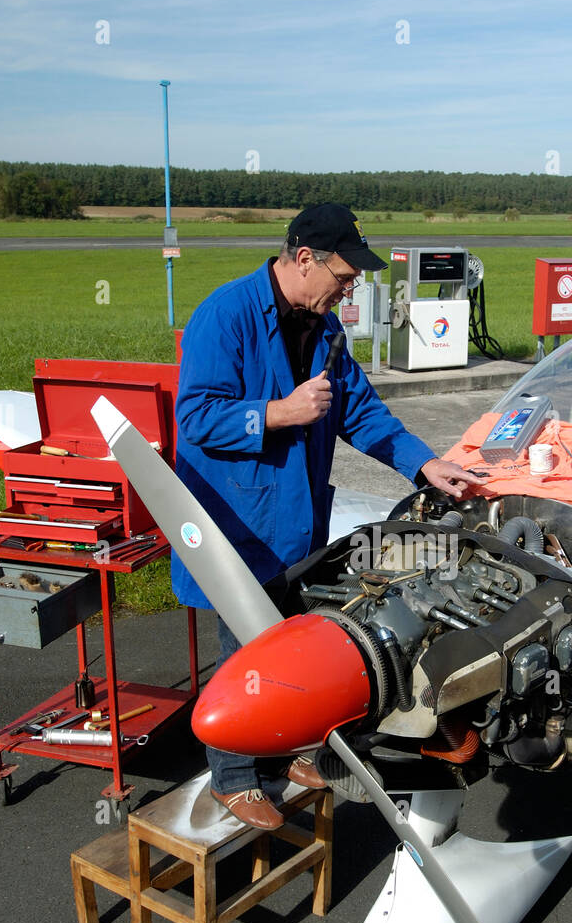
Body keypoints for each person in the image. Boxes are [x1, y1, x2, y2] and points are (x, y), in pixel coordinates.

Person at [172, 203, 478, 831]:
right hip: (239, 529)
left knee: (289, 648)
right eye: (343, 274)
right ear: (304, 259)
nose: (351, 287)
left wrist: (424, 467)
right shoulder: (224, 316)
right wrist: (278, 413)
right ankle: (233, 779)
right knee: (245, 656)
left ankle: (284, 757)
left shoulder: (327, 330)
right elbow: (194, 419)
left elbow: (362, 414)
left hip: (297, 530)